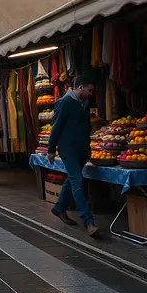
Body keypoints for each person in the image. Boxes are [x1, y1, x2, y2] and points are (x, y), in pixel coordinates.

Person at [48, 75, 100, 237]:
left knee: (72, 179)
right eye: (89, 90)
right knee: (77, 180)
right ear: (80, 87)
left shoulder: (84, 104)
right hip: (67, 149)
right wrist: (51, 149)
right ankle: (88, 221)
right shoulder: (64, 103)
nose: (91, 94)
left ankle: (59, 208)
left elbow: (85, 128)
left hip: (81, 149)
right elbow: (55, 127)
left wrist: (88, 148)